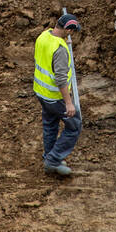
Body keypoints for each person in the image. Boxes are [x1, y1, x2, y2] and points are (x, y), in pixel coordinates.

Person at [33, 10, 82, 177]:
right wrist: (68, 103)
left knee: (50, 124)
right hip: (55, 97)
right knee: (74, 125)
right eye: (72, 32)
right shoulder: (60, 49)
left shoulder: (44, 36)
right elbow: (61, 79)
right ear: (68, 30)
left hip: (41, 92)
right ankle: (53, 160)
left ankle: (49, 157)